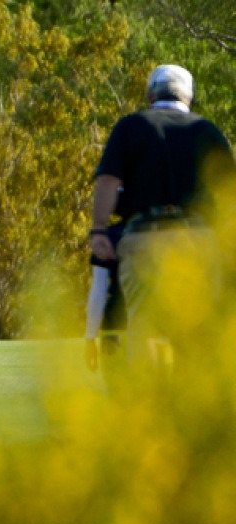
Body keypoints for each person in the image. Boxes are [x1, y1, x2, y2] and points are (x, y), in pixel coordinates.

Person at [91, 64, 236, 372]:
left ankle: (149, 409)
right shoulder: (207, 130)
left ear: (150, 95)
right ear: (189, 98)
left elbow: (108, 181)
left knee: (144, 328)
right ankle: (189, 412)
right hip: (197, 240)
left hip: (143, 238)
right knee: (196, 331)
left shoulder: (129, 127)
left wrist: (99, 230)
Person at [83, 221, 126, 384]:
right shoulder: (158, 232)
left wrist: (90, 337)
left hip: (114, 325)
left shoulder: (108, 237)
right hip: (149, 325)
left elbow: (98, 292)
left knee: (116, 395)